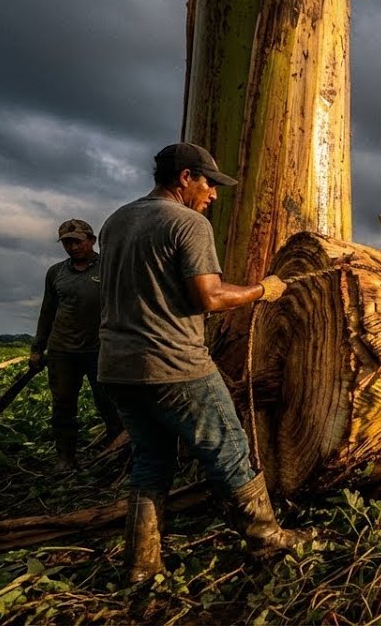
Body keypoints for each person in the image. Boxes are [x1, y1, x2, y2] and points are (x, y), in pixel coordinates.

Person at [97, 142, 308, 583]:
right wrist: (262, 290)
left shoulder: (116, 221)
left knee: (150, 460)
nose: (213, 193)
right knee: (230, 450)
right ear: (185, 178)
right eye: (209, 183)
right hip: (174, 363)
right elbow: (209, 297)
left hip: (117, 367)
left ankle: (141, 564)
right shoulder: (187, 223)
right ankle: (268, 540)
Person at [30, 219, 124, 471]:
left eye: (77, 241)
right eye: (67, 243)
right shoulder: (56, 272)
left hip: (100, 349)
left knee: (108, 403)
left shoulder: (110, 267)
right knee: (63, 405)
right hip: (62, 350)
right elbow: (47, 311)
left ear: (91, 241)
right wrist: (37, 348)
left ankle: (117, 453)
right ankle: (65, 458)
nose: (72, 247)